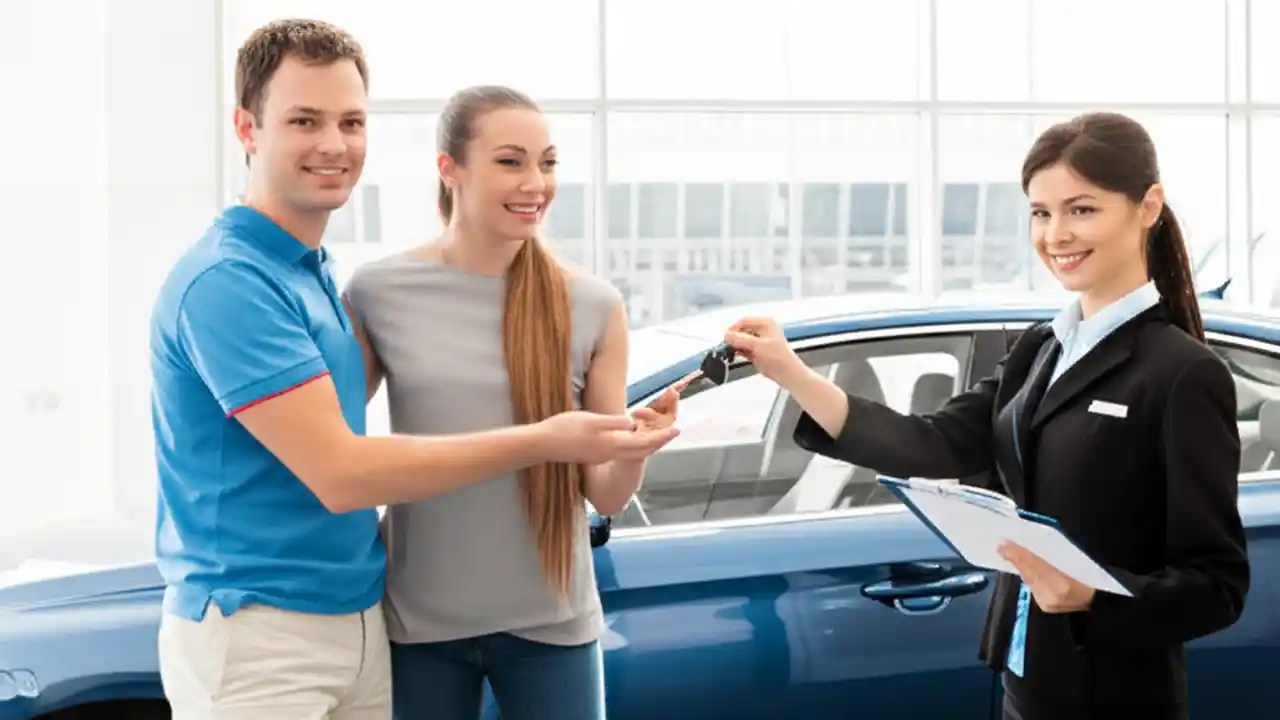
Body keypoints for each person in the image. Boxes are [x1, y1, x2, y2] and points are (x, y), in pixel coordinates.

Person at [149, 23, 676, 719]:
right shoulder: (242, 283)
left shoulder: (311, 275)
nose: (334, 143)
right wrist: (543, 438)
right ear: (248, 128)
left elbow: (338, 436)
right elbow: (343, 469)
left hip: (361, 616)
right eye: (304, 120)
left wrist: (624, 448)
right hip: (272, 627)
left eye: (351, 121)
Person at [722, 112, 1248, 719]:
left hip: (1116, 698)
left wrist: (1093, 598)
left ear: (1148, 206)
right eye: (1040, 213)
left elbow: (1217, 585)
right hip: (1024, 680)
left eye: (1082, 210)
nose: (1056, 235)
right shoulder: (1040, 349)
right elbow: (935, 445)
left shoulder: (1183, 373)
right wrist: (792, 372)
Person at [342, 85, 680, 720]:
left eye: (547, 163)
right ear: (450, 168)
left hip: (552, 623)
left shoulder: (593, 304)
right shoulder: (378, 291)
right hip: (417, 622)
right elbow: (338, 448)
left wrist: (637, 450)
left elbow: (604, 494)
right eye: (510, 161)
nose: (535, 183)